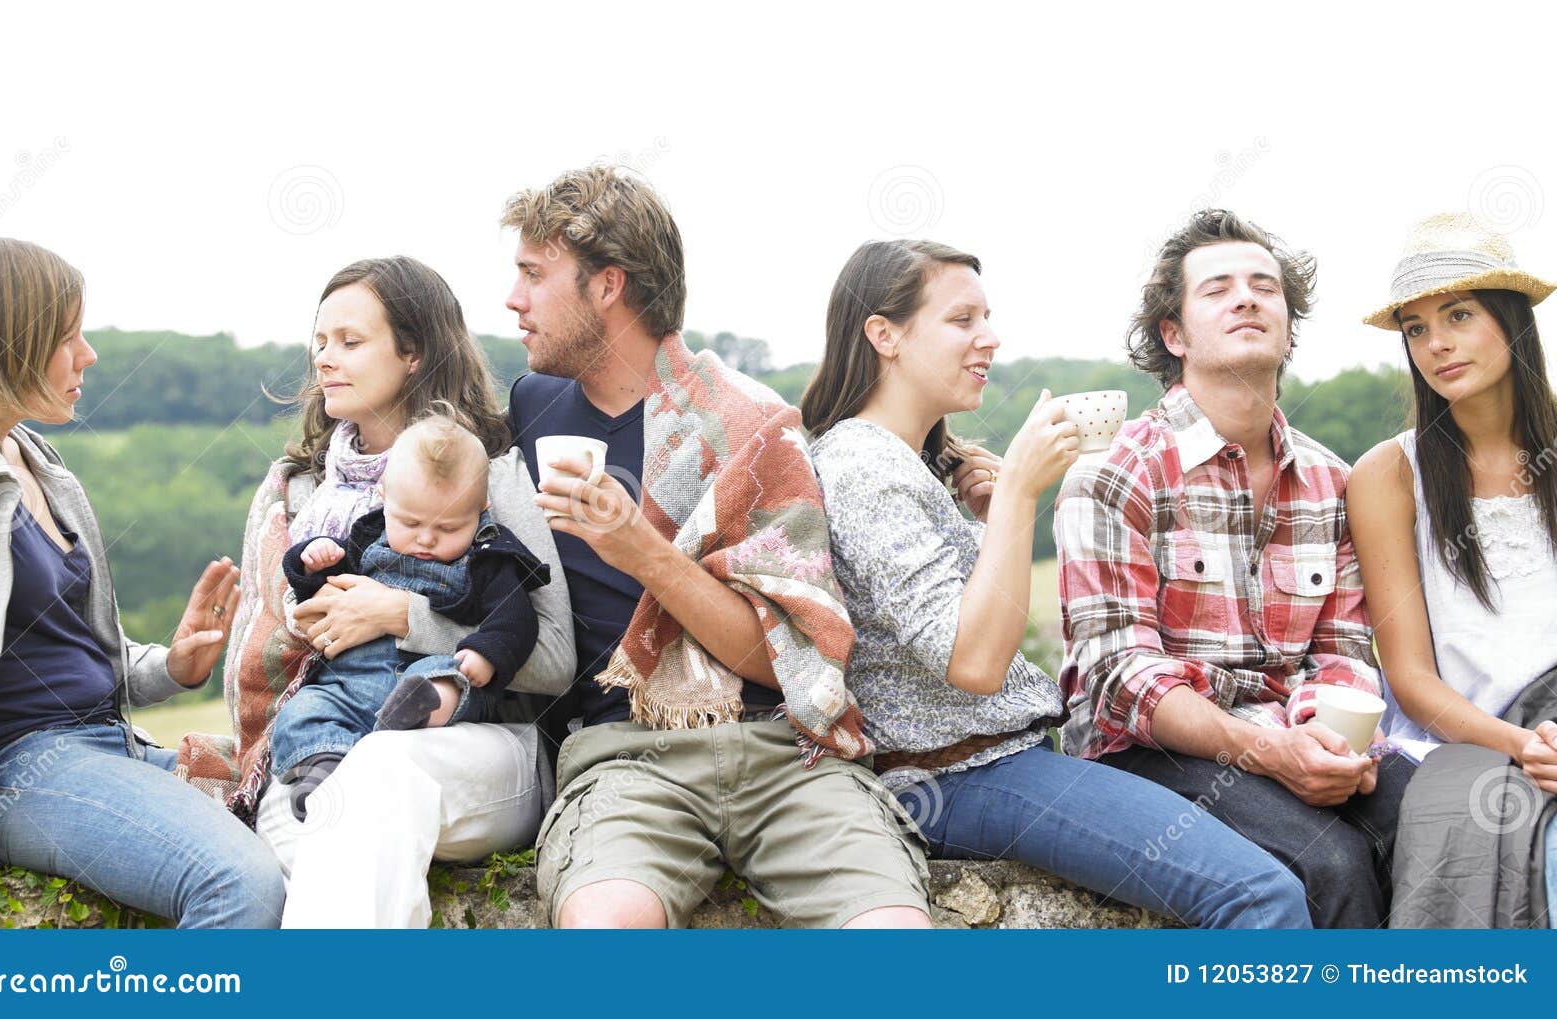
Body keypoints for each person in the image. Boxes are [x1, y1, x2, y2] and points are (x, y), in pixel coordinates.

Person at [806, 238, 1311, 928]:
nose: (989, 338)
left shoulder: (905, 462)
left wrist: (991, 518)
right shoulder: (864, 466)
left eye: (987, 317)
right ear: (884, 334)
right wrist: (1018, 492)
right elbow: (975, 663)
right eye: (963, 320)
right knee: (1259, 895)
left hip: (995, 767)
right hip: (960, 777)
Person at [502, 164, 931, 929]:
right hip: (627, 759)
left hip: (783, 758)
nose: (514, 299)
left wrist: (644, 551)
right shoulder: (532, 407)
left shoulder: (753, 428)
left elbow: (788, 660)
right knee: (603, 929)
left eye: (534, 275)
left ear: (608, 285)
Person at [176, 256, 574, 928]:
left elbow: (558, 658)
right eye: (321, 342)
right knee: (311, 853)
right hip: (316, 743)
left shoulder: (490, 473)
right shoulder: (296, 492)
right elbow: (264, 661)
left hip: (479, 744)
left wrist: (401, 616)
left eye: (351, 342)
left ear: (414, 352)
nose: (327, 359)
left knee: (379, 775)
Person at [1056, 208, 1415, 928]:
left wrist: (1331, 743)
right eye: (1217, 288)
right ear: (1174, 334)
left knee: (1434, 820)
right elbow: (1123, 678)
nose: (1247, 297)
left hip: (1286, 727)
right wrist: (1269, 750)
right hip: (1150, 749)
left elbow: (1343, 651)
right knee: (1330, 866)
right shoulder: (1117, 474)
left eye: (1264, 286)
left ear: (1288, 324)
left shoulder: (1329, 480)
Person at [0, 236, 284, 927]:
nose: (88, 355)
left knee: (305, 821)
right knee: (241, 883)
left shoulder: (37, 459)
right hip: (28, 765)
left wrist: (174, 661)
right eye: (66, 336)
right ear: (8, 343)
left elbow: (70, 652)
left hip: (110, 743)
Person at [1347, 212, 1557, 923]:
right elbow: (1410, 676)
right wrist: (1526, 745)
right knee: (1469, 843)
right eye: (1415, 327)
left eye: (1458, 315)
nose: (1435, 344)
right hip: (1467, 732)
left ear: (1511, 317)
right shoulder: (1389, 473)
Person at [272, 407, 547, 820]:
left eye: (449, 528)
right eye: (410, 521)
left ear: (482, 510)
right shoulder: (366, 539)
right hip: (350, 683)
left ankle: (416, 714)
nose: (426, 539)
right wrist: (313, 566)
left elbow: (516, 619)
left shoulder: (490, 558)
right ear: (384, 497)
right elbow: (327, 602)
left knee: (446, 680)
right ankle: (322, 772)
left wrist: (486, 654)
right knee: (303, 711)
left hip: (425, 671)